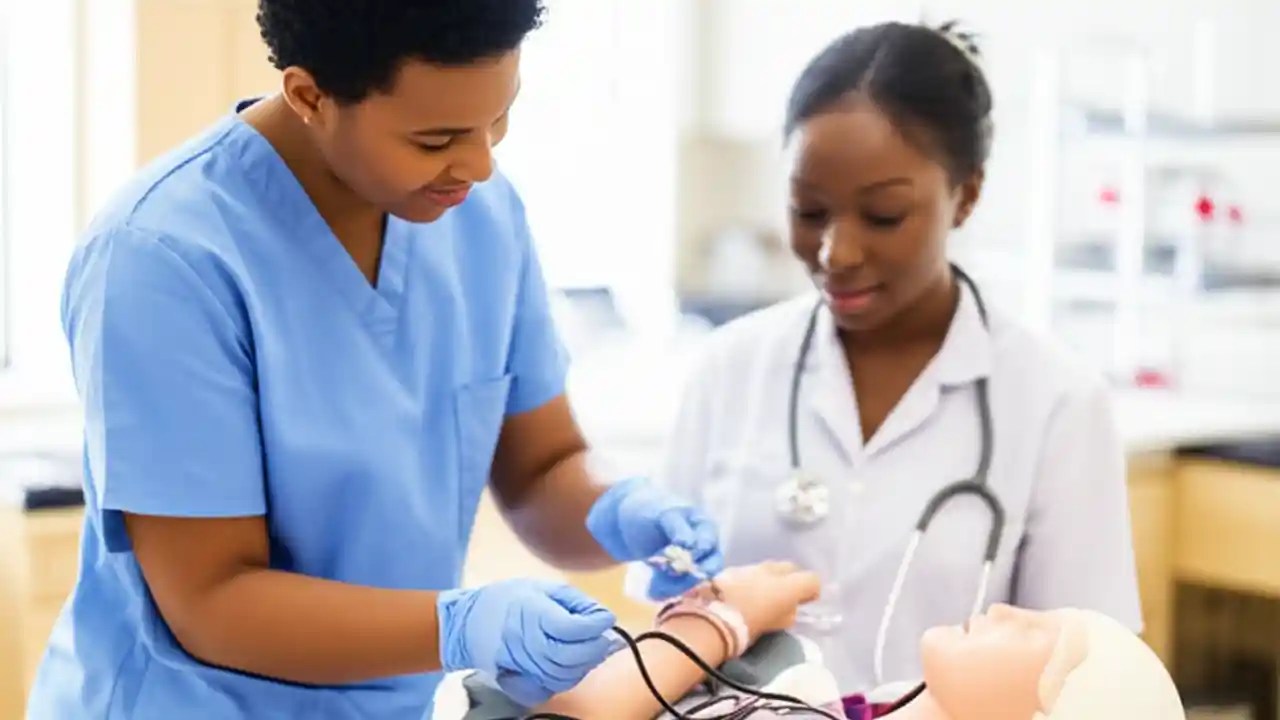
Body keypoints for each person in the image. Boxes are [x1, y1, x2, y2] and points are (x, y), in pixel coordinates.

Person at [31, 2, 722, 718]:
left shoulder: (481, 216)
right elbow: (213, 601)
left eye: (498, 119)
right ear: (309, 96)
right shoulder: (162, 259)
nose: (479, 164)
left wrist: (619, 509)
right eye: (435, 139)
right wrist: (459, 625)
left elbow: (542, 468)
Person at [631, 20, 1142, 692]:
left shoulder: (1057, 403)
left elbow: (1089, 677)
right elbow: (660, 629)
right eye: (809, 211)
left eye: (883, 216)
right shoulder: (728, 369)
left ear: (967, 195)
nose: (836, 252)